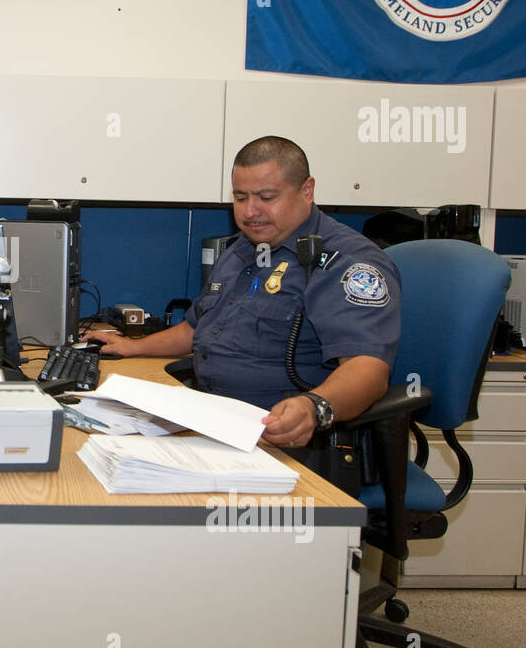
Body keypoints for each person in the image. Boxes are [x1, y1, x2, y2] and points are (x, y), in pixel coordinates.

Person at [83, 136, 401, 449]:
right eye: (240, 197)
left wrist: (312, 407)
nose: (250, 212)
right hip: (214, 420)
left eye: (266, 197)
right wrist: (132, 347)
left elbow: (368, 369)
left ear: (307, 190)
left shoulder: (344, 263)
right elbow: (195, 328)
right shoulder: (243, 249)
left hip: (284, 438)